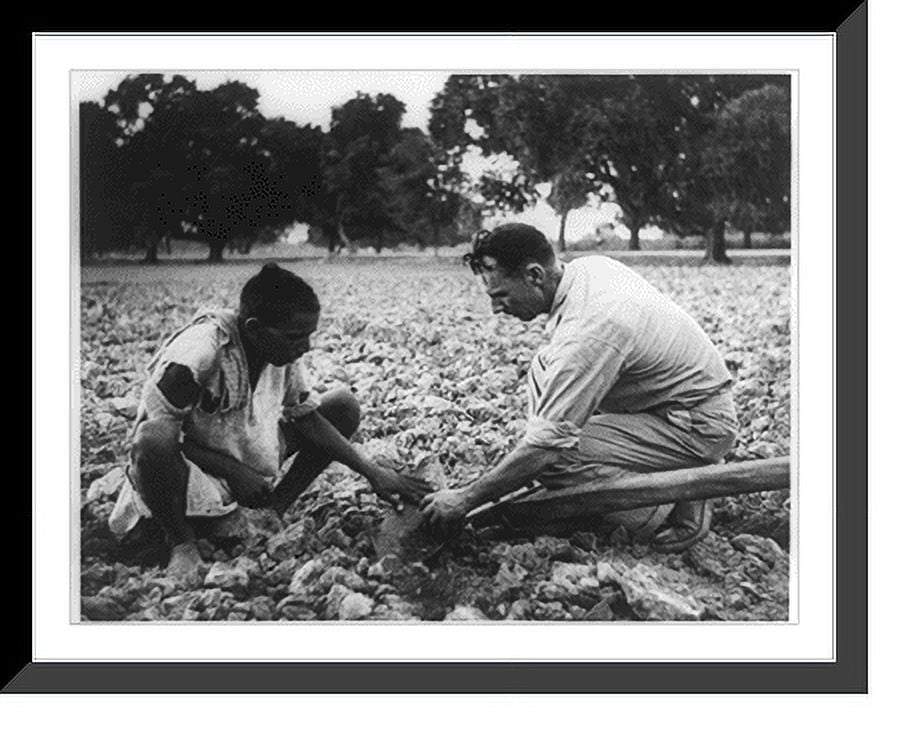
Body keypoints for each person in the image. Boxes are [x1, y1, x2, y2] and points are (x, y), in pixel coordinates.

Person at [420, 224, 739, 552]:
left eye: (500, 296)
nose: (496, 309)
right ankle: (613, 479)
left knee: (555, 460)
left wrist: (465, 499)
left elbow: (547, 448)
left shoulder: (592, 327)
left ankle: (673, 498)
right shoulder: (588, 269)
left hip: (695, 424)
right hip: (663, 407)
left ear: (534, 276)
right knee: (545, 368)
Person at [108, 263, 430, 581]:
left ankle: (271, 510)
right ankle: (181, 543)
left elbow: (307, 419)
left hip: (247, 455)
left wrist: (374, 473)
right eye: (295, 337)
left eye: (308, 336)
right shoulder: (196, 355)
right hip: (187, 474)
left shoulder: (279, 352)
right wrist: (233, 471)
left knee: (342, 406)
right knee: (154, 438)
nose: (305, 347)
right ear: (253, 328)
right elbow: (150, 441)